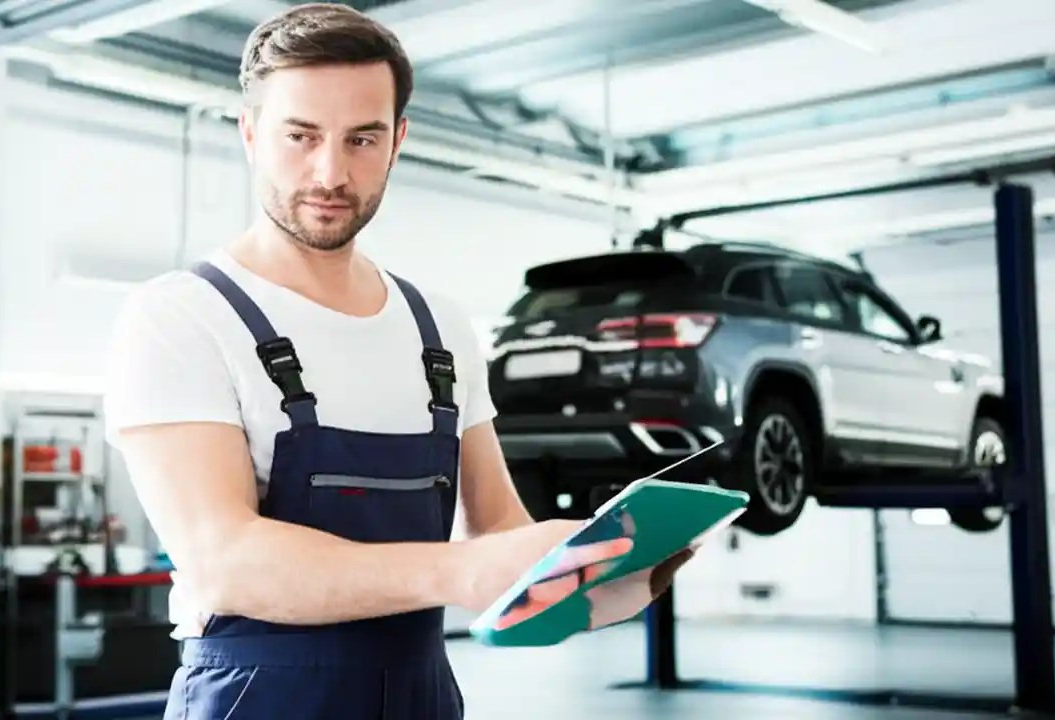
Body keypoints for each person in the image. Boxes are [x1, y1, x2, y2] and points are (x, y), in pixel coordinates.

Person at [103, 4, 694, 718]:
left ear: (398, 140)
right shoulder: (179, 316)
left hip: (423, 694)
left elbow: (499, 532)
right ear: (252, 134)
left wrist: (602, 572)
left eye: (361, 138)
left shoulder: (438, 328)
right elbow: (225, 563)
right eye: (301, 136)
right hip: (256, 698)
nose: (329, 171)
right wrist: (463, 570)